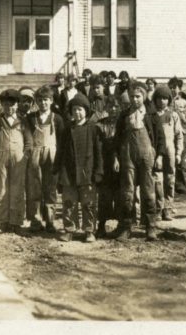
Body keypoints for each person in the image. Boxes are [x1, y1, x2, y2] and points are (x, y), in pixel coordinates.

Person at [113, 82, 164, 241]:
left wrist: (160, 156)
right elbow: (117, 138)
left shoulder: (151, 115)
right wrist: (116, 157)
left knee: (148, 192)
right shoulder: (124, 115)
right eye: (133, 96)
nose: (135, 99)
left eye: (138, 96)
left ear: (144, 96)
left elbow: (160, 137)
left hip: (147, 156)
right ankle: (126, 227)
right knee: (127, 192)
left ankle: (150, 227)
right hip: (127, 156)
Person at [54, 93, 103, 242]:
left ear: (86, 111)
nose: (77, 113)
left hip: (87, 173)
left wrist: (98, 172)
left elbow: (98, 153)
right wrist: (57, 170)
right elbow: (60, 152)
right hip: (69, 173)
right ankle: (70, 229)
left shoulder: (93, 129)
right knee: (69, 203)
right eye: (74, 110)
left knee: (88, 203)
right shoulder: (67, 130)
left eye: (80, 109)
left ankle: (89, 230)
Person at [0, 89, 30, 234]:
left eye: (12, 105)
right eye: (6, 105)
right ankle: (3, 221)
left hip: (19, 160)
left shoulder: (23, 123)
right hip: (1, 159)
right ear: (2, 106)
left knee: (17, 189)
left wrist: (25, 157)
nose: (9, 108)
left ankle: (16, 222)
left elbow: (28, 142)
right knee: (1, 189)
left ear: (17, 105)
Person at [26, 86, 62, 233]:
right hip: (35, 154)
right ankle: (35, 220)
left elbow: (61, 139)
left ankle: (50, 221)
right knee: (35, 187)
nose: (43, 103)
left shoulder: (57, 118)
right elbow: (27, 136)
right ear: (36, 102)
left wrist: (59, 159)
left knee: (50, 188)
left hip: (52, 155)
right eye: (40, 100)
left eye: (46, 100)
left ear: (51, 101)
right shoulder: (30, 118)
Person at [149, 85, 184, 221]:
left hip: (170, 152)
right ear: (155, 99)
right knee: (157, 180)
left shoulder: (173, 115)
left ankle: (168, 208)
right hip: (157, 152)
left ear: (169, 100)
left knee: (170, 179)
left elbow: (179, 136)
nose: (162, 101)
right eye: (159, 98)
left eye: (165, 98)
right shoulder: (151, 115)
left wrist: (178, 153)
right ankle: (158, 208)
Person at [92, 94, 119, 238]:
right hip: (104, 163)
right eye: (110, 106)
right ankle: (101, 226)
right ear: (106, 108)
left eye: (116, 106)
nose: (113, 109)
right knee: (104, 196)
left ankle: (121, 226)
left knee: (121, 195)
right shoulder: (100, 125)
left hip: (120, 163)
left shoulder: (122, 123)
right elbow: (97, 147)